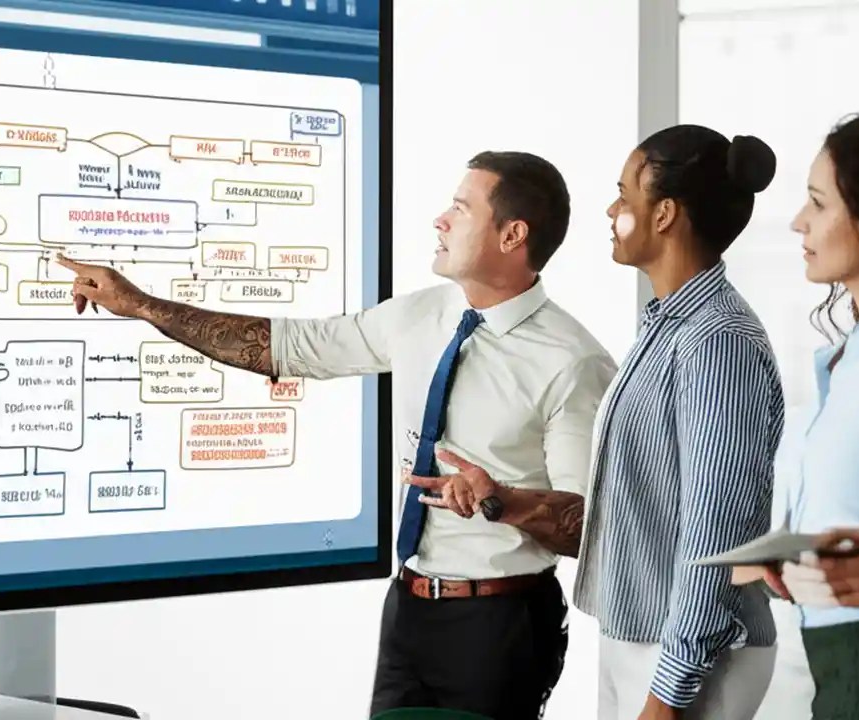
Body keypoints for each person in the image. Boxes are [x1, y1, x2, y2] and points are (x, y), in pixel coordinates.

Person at [55, 150, 618, 719]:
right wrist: (141, 305)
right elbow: (284, 346)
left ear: (512, 234)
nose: (440, 220)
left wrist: (501, 500)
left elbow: (588, 527)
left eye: (460, 208)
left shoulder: (572, 361)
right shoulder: (420, 316)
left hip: (501, 624)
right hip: (410, 607)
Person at [571, 125, 784, 720]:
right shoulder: (668, 327)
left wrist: (670, 686)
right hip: (638, 635)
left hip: (685, 655)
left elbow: (717, 526)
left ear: (663, 214)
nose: (612, 210)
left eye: (623, 195)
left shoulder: (719, 343)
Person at [732, 111, 859, 719]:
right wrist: (788, 555)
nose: (797, 221)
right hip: (833, 668)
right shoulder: (843, 360)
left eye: (817, 203)